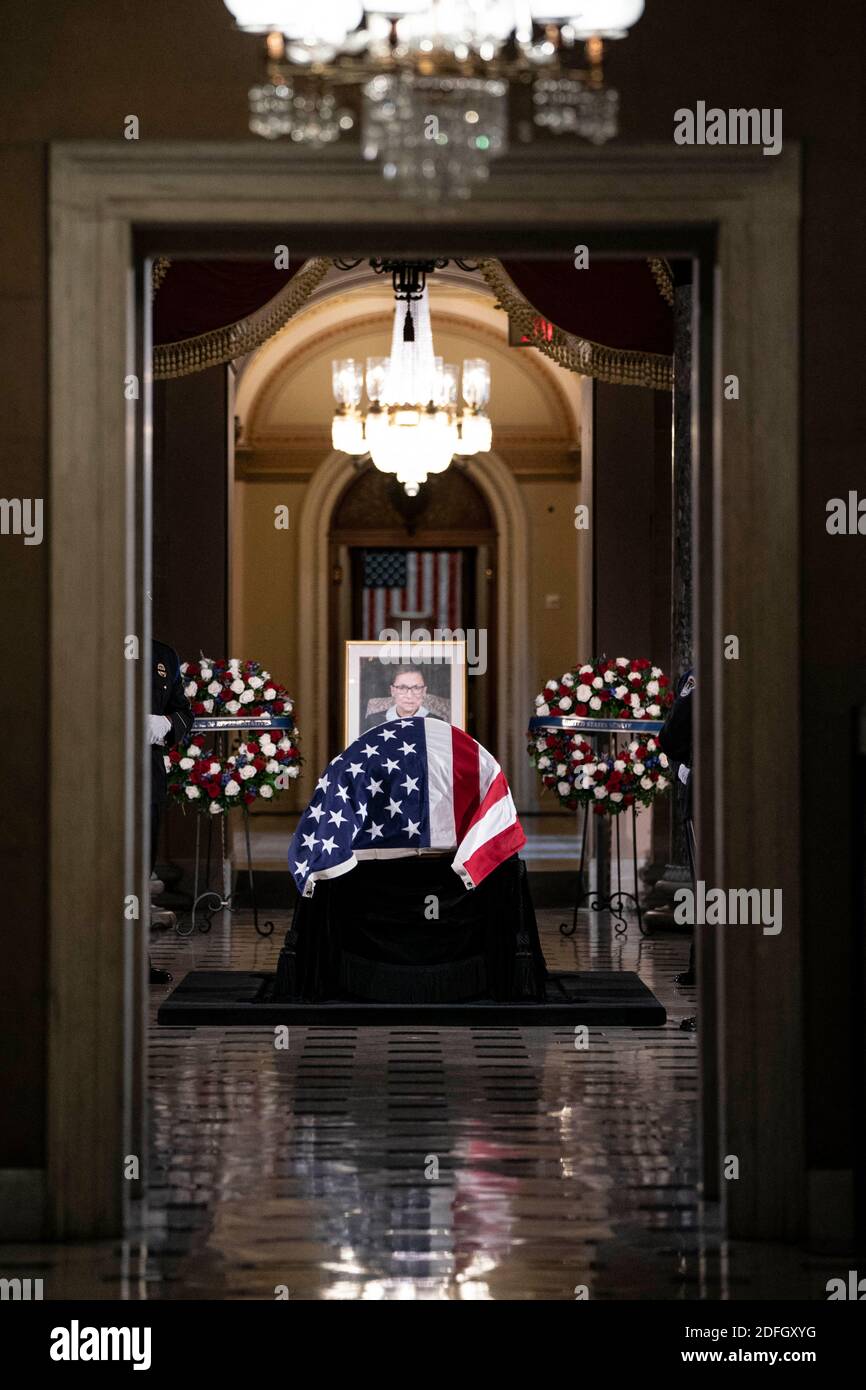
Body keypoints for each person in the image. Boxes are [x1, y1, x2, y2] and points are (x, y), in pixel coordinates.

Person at [149, 639, 192, 984]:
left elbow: (182, 711)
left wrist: (163, 725)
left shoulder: (164, 655)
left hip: (147, 779)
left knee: (139, 872)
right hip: (98, 773)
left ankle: (136, 958)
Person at [659, 666, 697, 1030]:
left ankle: (715, 1004)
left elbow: (672, 736)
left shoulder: (700, 674)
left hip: (708, 797)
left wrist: (683, 767)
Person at [362, 665, 446, 731]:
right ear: (393, 691)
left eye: (416, 688)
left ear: (424, 691)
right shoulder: (373, 722)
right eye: (402, 688)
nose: (409, 696)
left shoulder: (438, 724)